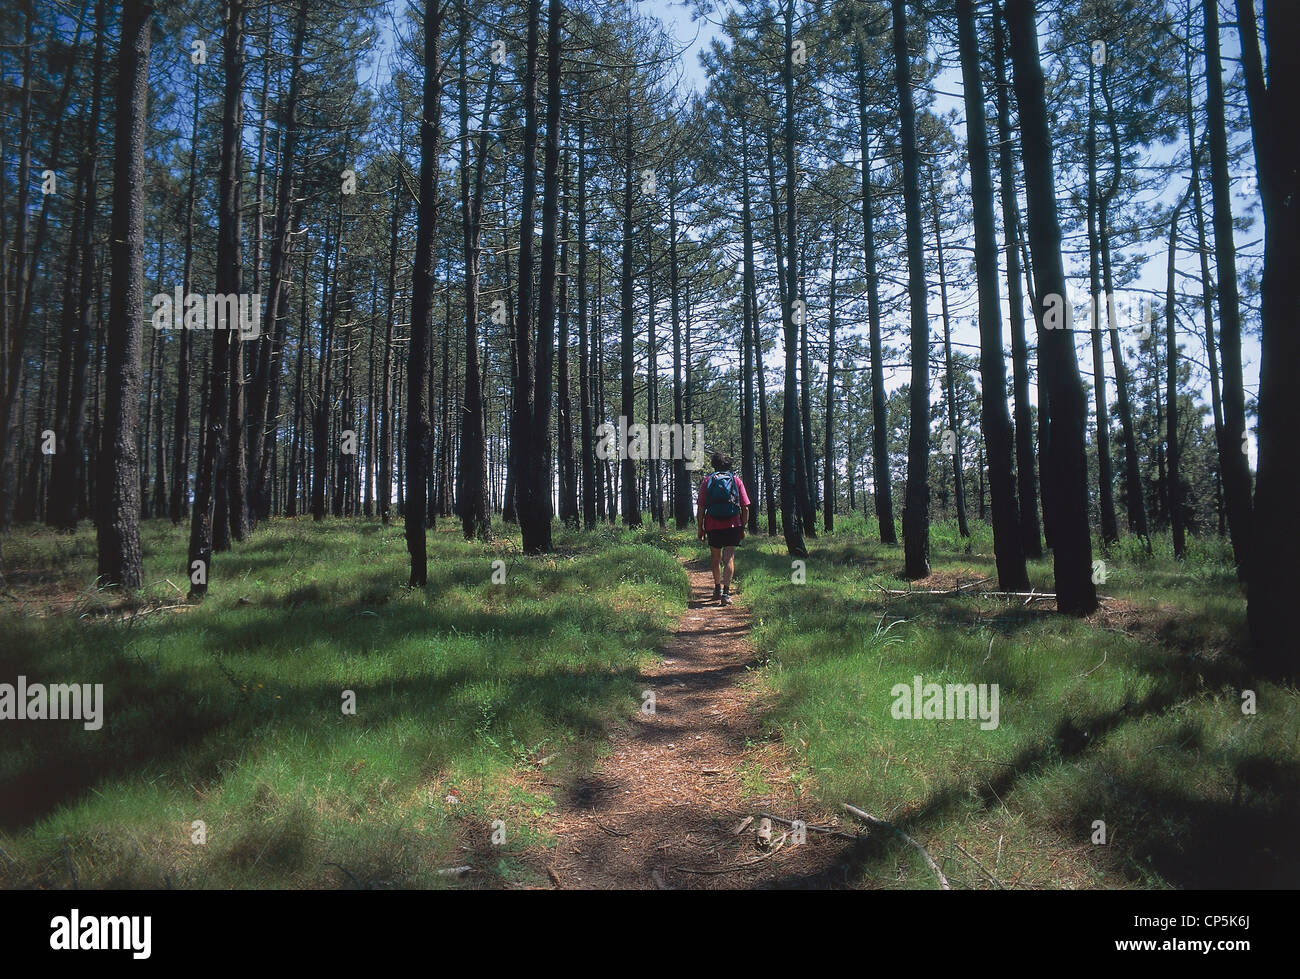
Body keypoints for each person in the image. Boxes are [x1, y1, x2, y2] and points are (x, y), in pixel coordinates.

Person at [697, 451, 751, 605]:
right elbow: (745, 507)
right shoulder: (736, 480)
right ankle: (726, 594)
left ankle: (716, 588)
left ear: (714, 464)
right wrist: (742, 527)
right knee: (729, 557)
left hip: (712, 524)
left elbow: (701, 508)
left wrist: (700, 528)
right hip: (733, 524)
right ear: (728, 464)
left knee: (715, 557)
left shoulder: (707, 481)